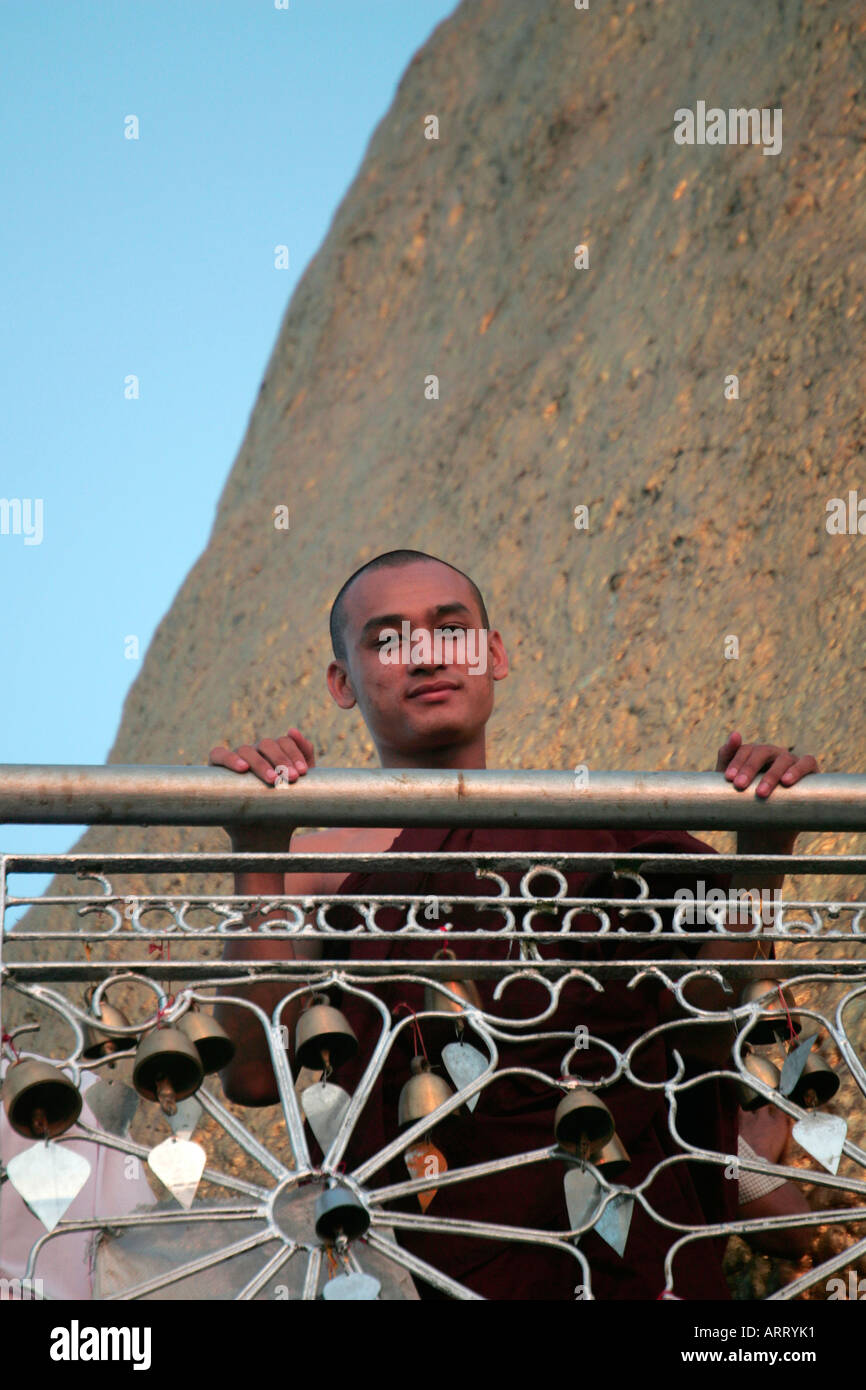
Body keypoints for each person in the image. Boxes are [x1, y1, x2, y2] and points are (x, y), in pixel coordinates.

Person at [209, 549, 819, 1299]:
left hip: (635, 1242)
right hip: (440, 1257)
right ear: (342, 682)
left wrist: (761, 859)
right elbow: (248, 1072)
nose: (426, 655)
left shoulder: (608, 831)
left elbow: (707, 1033)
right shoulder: (315, 863)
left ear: (494, 654)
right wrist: (257, 852)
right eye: (387, 639)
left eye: (451, 629)